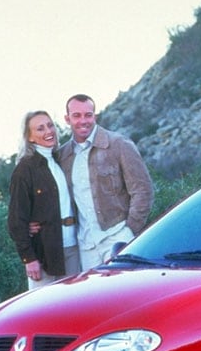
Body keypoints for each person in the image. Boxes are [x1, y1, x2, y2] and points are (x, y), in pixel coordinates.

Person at [57, 94, 154, 269]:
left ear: (95, 116)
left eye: (88, 115)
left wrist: (130, 230)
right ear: (67, 119)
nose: (83, 121)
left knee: (124, 293)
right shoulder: (64, 156)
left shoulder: (118, 144)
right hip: (86, 245)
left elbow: (143, 190)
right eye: (77, 116)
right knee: (94, 295)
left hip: (117, 237)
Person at [8, 111, 80, 289]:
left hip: (73, 246)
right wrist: (29, 258)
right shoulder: (25, 169)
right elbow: (16, 220)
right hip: (44, 252)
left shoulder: (60, 161)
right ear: (30, 137)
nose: (48, 131)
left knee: (74, 306)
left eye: (50, 125)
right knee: (44, 308)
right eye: (40, 128)